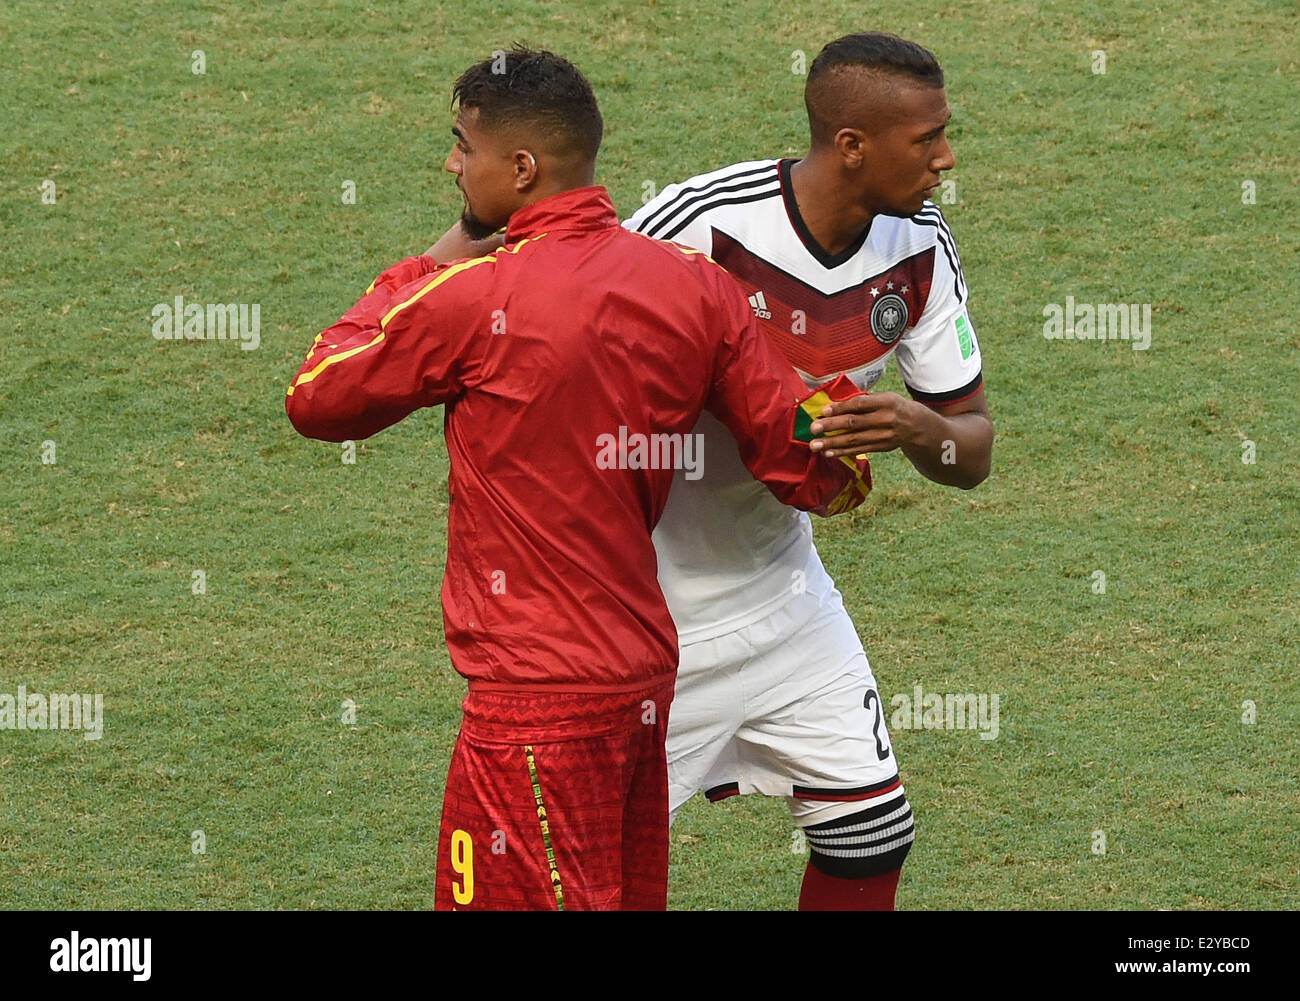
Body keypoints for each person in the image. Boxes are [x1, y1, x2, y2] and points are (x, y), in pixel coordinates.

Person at [284, 47, 869, 911]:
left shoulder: (473, 297)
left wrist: (438, 258)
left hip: (534, 698)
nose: (451, 165)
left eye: (463, 147)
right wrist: (870, 438)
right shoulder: (696, 286)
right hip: (642, 678)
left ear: (522, 168)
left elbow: (318, 394)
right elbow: (811, 465)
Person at [624, 31, 994, 911]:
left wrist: (916, 427)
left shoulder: (919, 244)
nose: (946, 158)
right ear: (852, 145)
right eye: (928, 138)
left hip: (784, 597)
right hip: (646, 615)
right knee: (600, 862)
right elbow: (561, 320)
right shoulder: (701, 223)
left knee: (871, 837)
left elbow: (972, 449)